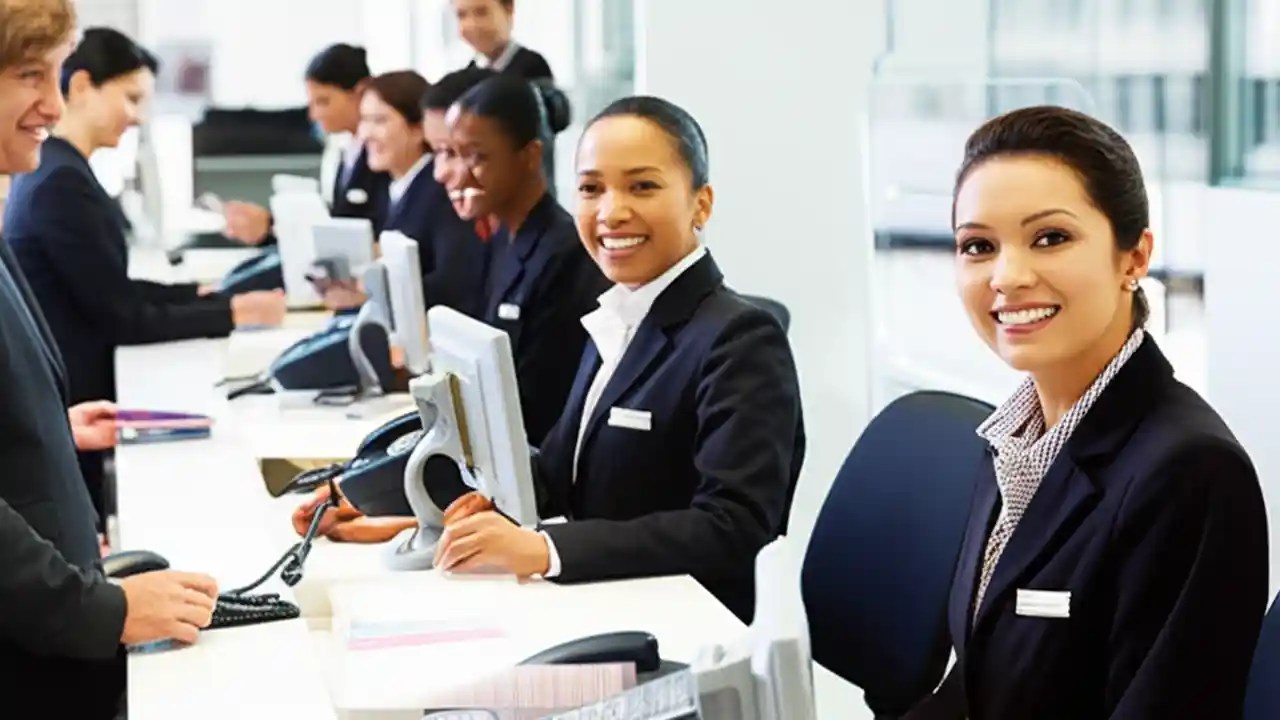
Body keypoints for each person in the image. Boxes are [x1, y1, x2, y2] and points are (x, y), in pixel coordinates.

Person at [904, 106, 1269, 720]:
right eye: (978, 246)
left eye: (1050, 237)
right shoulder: (1013, 440)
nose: (1007, 275)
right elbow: (975, 685)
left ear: (1134, 257)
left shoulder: (1189, 474)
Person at [432, 96, 805, 623]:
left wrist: (546, 550)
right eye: (591, 188)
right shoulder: (619, 315)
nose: (611, 211)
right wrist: (423, 509)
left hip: (678, 628)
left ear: (701, 204)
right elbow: (559, 471)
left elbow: (733, 527)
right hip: (604, 601)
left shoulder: (740, 338)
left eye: (643, 186)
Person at [0, 2, 218, 715]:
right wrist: (106, 610)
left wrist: (48, 434)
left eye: (59, 75)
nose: (53, 104)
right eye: (31, 75)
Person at [4, 27, 286, 519]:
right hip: (80, 398)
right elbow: (121, 313)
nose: (137, 116)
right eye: (130, 98)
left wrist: (199, 296)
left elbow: (107, 286)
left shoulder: (64, 170)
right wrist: (228, 311)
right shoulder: (59, 181)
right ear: (85, 87)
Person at [437, 75, 607, 444]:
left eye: (477, 157)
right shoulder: (501, 238)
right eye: (453, 154)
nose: (457, 174)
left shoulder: (565, 254)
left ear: (529, 156)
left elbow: (538, 406)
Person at [321, 70, 489, 318]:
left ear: (418, 128)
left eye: (380, 121)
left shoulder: (442, 192)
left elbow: (453, 285)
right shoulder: (389, 186)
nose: (365, 133)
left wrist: (369, 293)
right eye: (364, 120)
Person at [222, 43, 390, 246]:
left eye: (323, 102)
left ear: (361, 92)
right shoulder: (342, 151)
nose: (315, 115)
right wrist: (272, 225)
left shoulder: (382, 154)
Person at [454, 0, 553, 81]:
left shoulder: (532, 68)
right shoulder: (468, 75)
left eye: (482, 12)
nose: (471, 25)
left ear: (509, 9)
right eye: (461, 15)